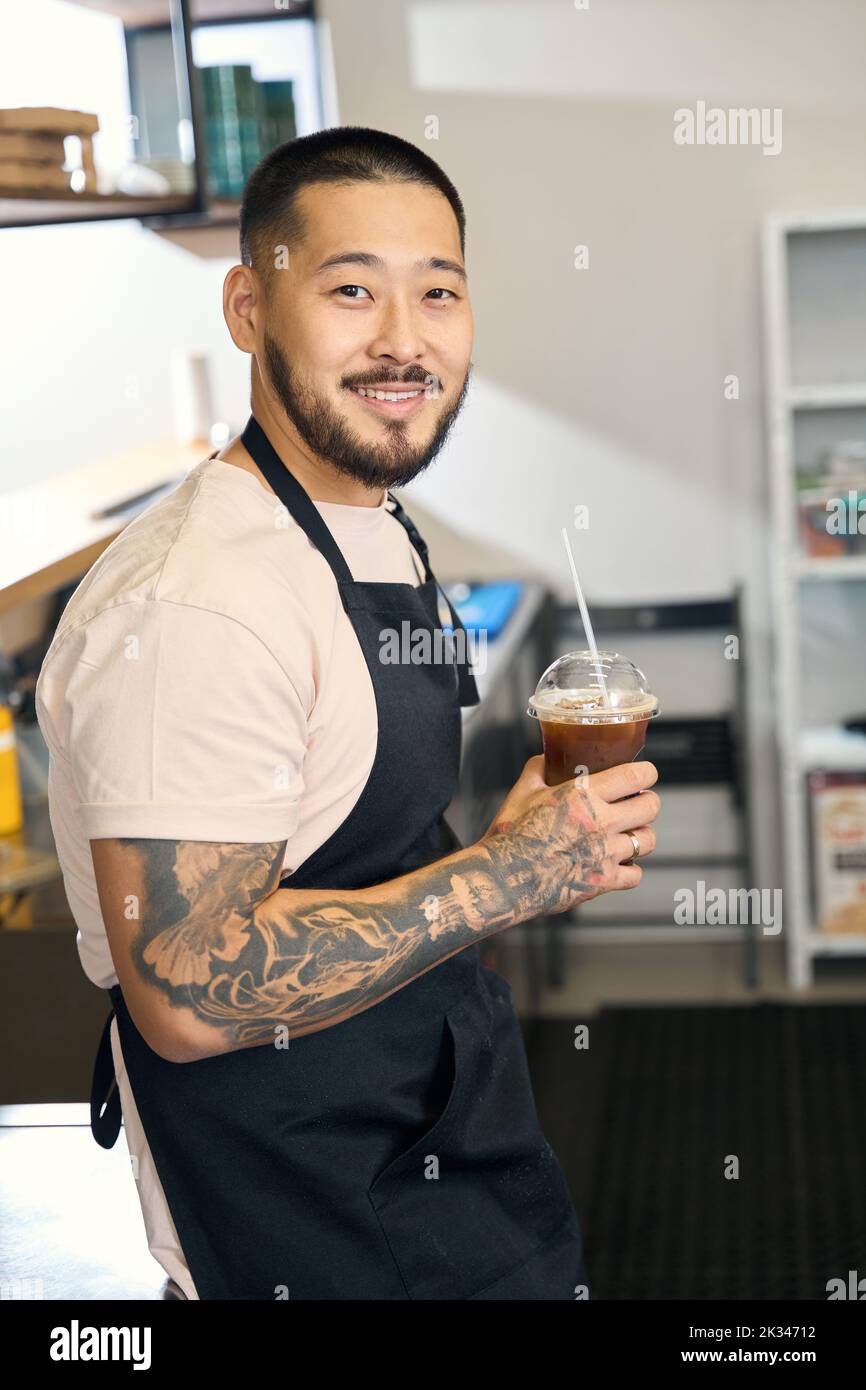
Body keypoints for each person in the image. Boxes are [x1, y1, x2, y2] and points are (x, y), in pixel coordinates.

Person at [35, 126, 660, 1300]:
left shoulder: (370, 517)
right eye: (350, 289)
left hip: (424, 1137)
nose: (401, 339)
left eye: (438, 292)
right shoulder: (196, 605)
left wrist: (523, 851)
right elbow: (184, 983)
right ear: (246, 306)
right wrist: (505, 877)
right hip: (305, 1215)